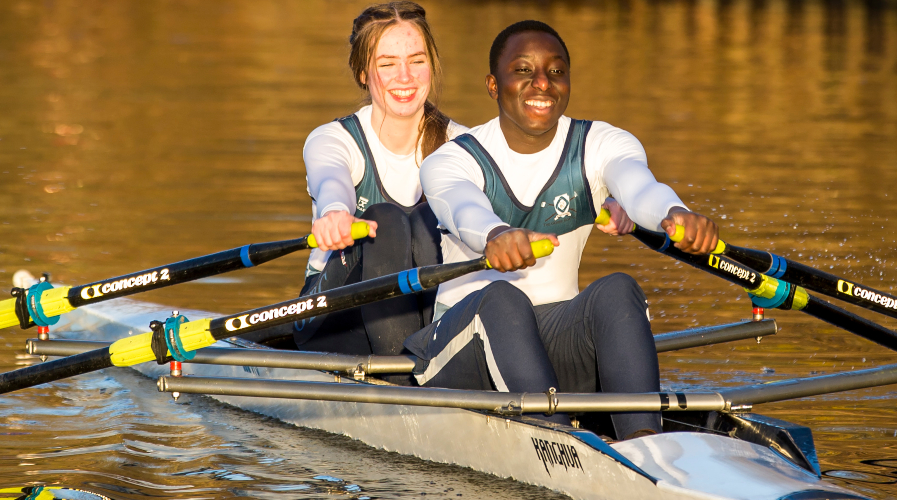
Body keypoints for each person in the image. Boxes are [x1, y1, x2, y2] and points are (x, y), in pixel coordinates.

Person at [405, 20, 720, 441]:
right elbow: (463, 208)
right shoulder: (452, 159)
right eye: (522, 71)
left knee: (617, 290)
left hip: (554, 338)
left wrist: (675, 212)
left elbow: (640, 186)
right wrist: (496, 235)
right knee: (501, 298)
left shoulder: (601, 142)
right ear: (493, 86)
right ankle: (559, 442)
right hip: (460, 348)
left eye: (556, 72)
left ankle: (646, 444)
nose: (542, 84)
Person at [245, 2, 462, 359]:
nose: (405, 77)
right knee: (385, 221)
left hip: (429, 322)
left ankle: (425, 366)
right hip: (333, 321)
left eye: (417, 61)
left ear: (431, 66)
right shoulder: (333, 140)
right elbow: (332, 183)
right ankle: (404, 378)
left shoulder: (465, 145)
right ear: (363, 73)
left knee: (427, 221)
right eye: (388, 64)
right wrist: (334, 213)